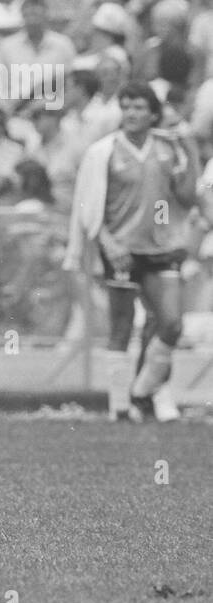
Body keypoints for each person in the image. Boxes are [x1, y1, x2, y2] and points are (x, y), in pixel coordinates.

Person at [65, 81, 198, 422]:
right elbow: (89, 202)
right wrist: (108, 242)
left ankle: (142, 391)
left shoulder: (168, 149)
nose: (132, 113)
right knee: (122, 326)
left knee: (171, 324)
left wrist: (193, 152)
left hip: (161, 247)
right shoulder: (104, 151)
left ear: (153, 113)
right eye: (127, 106)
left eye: (139, 107)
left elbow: (185, 197)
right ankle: (119, 407)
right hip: (121, 249)